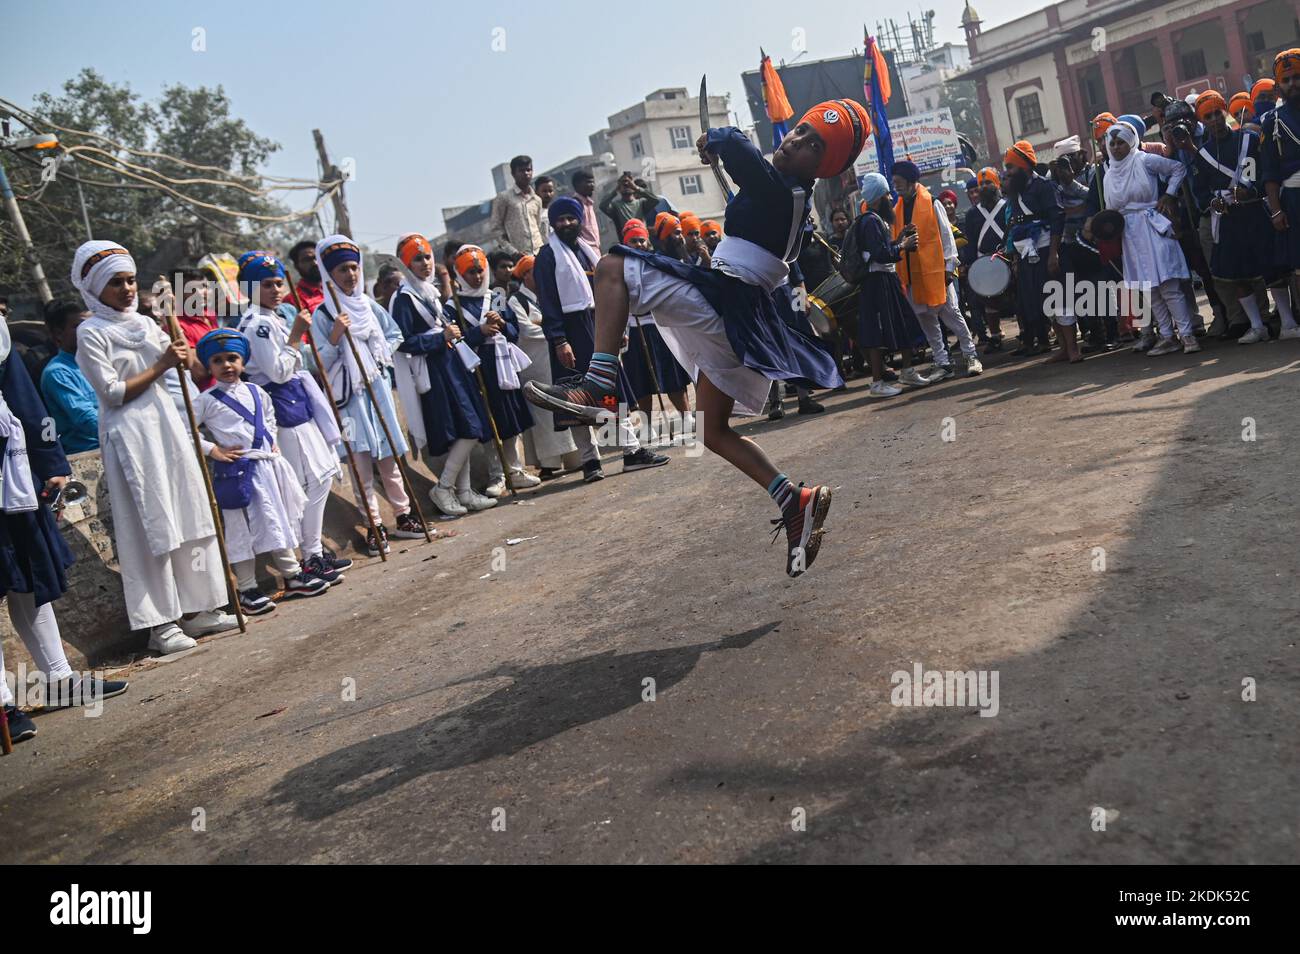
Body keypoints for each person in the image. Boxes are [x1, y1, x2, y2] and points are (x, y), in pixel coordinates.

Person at [525, 101, 870, 577]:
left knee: (611, 267)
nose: (794, 140)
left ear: (824, 165)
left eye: (813, 144)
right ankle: (794, 499)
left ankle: (599, 381)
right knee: (711, 429)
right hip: (743, 318)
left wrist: (717, 141)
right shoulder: (789, 197)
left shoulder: (781, 189)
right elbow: (750, 170)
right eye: (799, 131)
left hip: (729, 303)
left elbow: (738, 147)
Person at [72, 240, 237, 654]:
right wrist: (162, 363)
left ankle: (202, 608)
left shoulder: (146, 324)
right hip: (130, 435)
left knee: (189, 512)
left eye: (130, 280)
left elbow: (189, 372)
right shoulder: (90, 332)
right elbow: (111, 392)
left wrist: (179, 351)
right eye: (116, 283)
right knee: (151, 526)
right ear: (94, 288)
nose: (127, 290)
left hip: (166, 425)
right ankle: (161, 624)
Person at [0, 313, 128, 742]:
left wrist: (50, 462)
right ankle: (2, 705)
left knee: (30, 577)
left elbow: (21, 394)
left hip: (10, 470)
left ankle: (59, 679)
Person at [531, 195, 669, 482]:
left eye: (571, 218)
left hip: (598, 326)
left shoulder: (589, 251)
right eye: (561, 219)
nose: (566, 223)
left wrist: (615, 328)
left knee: (610, 392)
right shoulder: (547, 256)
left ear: (579, 220)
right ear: (553, 224)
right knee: (573, 399)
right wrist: (559, 340)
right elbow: (548, 301)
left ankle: (632, 452)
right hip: (570, 332)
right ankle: (590, 461)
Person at [192, 330, 330, 615]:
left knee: (276, 521)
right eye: (218, 361)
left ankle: (292, 576)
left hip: (267, 467)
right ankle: (246, 588)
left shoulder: (258, 392)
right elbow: (184, 431)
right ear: (209, 367)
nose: (227, 365)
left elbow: (269, 420)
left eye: (232, 358)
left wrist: (271, 443)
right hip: (236, 473)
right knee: (240, 528)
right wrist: (212, 450)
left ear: (243, 362)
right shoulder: (206, 400)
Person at [235, 252, 350, 583]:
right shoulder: (257, 325)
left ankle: (313, 552)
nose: (275, 289)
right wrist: (298, 335)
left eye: (277, 282)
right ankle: (309, 555)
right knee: (309, 482)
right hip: (281, 407)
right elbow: (279, 371)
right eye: (266, 284)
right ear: (250, 289)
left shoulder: (270, 318)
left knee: (320, 477)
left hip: (294, 404)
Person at [309, 235, 427, 555]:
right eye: (342, 270)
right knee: (360, 463)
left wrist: (378, 356)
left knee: (388, 457)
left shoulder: (368, 305)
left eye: (353, 268)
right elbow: (316, 360)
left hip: (375, 387)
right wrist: (335, 336)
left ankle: (403, 515)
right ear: (328, 274)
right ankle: (373, 523)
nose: (350, 275)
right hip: (350, 396)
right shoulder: (323, 314)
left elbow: (393, 335)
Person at [387, 234, 495, 516]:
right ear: (406, 264)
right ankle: (444, 487)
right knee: (468, 428)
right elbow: (401, 340)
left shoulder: (429, 291)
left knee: (467, 426)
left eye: (427, 257)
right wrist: (440, 338)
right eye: (417, 259)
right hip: (434, 369)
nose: (425, 263)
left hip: (450, 364)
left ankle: (464, 491)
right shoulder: (404, 297)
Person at [1190, 90, 1295, 345]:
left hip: (1255, 213)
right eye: (1208, 116)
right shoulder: (1201, 156)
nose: (1214, 119)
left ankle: (1288, 323)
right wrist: (1212, 202)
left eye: (1217, 113)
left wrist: (1252, 191)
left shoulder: (1248, 139)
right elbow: (1199, 193)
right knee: (1236, 274)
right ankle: (1257, 326)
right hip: (1227, 220)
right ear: (1202, 121)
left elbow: (1265, 172)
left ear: (1224, 111)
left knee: (1273, 269)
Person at [445, 245, 542, 497]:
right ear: (459, 274)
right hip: (478, 366)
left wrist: (501, 324)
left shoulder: (495, 295)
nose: (476, 277)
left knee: (511, 417)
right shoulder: (453, 304)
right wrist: (479, 332)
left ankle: (516, 470)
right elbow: (454, 341)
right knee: (491, 420)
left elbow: (513, 331)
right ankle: (497, 474)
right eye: (469, 272)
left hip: (502, 363)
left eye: (479, 271)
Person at [1102, 121, 1199, 356]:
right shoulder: (1108, 175)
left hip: (1151, 225)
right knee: (1149, 289)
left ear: (1132, 141)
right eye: (1112, 143)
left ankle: (1188, 335)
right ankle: (1167, 337)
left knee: (1168, 285)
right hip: (1129, 234)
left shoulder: (1144, 160)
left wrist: (1169, 195)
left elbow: (1178, 169)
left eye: (1120, 142)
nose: (1115, 148)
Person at [891, 160, 983, 378]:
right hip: (913, 275)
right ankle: (943, 363)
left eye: (899, 182)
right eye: (894, 182)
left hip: (937, 273)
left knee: (952, 314)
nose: (896, 186)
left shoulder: (932, 203)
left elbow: (946, 236)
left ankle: (971, 355)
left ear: (911, 181)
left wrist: (950, 267)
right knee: (926, 319)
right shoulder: (897, 209)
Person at [852, 173, 931, 397]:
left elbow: (883, 250)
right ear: (878, 197)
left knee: (903, 323)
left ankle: (907, 370)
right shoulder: (870, 222)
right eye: (887, 194)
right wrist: (903, 245)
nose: (890, 197)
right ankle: (877, 384)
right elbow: (880, 254)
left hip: (886, 280)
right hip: (877, 283)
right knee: (877, 333)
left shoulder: (877, 221)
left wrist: (899, 240)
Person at [616, 219, 694, 435]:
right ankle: (648, 425)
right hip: (634, 327)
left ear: (647, 242)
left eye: (641, 240)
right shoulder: (618, 267)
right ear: (625, 243)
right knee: (641, 380)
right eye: (633, 241)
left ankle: (686, 417)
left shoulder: (655, 262)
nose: (638, 245)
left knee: (673, 376)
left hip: (659, 325)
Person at [506, 255, 577, 479]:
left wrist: (550, 328)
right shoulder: (516, 300)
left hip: (554, 356)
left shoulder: (548, 295)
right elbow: (525, 330)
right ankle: (549, 463)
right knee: (543, 412)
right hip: (534, 362)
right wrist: (552, 331)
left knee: (566, 402)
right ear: (525, 275)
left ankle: (574, 456)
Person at [1001, 141, 1067, 358]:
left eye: (1011, 167)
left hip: (1046, 248)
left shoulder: (1044, 187)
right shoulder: (1016, 192)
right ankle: (1061, 349)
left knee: (1056, 300)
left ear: (1024, 167)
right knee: (1039, 302)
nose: (1008, 172)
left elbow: (1057, 219)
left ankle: (1071, 349)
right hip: (1026, 254)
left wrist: (1054, 253)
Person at [1262, 49, 1300, 342]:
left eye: (1297, 77)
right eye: (1286, 79)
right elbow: (1270, 173)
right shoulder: (1271, 121)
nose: (1293, 83)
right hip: (1295, 199)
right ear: (1278, 86)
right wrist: (1275, 210)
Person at [39, 301, 99, 453]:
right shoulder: (57, 372)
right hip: (91, 453)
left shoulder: (100, 362)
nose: (88, 330)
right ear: (58, 333)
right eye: (78, 326)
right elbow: (87, 419)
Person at [960, 167, 1008, 352]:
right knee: (989, 301)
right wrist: (971, 264)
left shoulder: (1006, 206)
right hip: (984, 262)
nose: (984, 186)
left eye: (988, 182)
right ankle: (995, 337)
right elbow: (970, 242)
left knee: (1017, 298)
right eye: (981, 184)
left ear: (996, 184)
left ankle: (1025, 332)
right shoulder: (972, 214)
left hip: (1006, 258)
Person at [491, 155, 547, 257]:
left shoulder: (537, 199)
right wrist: (512, 252)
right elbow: (496, 229)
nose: (526, 174)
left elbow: (538, 227)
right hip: (519, 257)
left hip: (540, 253)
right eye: (521, 170)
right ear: (513, 174)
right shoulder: (504, 198)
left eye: (528, 170)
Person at [285, 240, 324, 315]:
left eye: (316, 258)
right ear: (297, 266)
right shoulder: (293, 300)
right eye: (307, 260)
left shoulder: (335, 288)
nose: (315, 263)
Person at [571, 169, 602, 248]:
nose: (592, 185)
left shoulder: (589, 203)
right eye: (588, 182)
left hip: (595, 248)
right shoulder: (575, 204)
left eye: (592, 182)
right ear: (577, 184)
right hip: (585, 249)